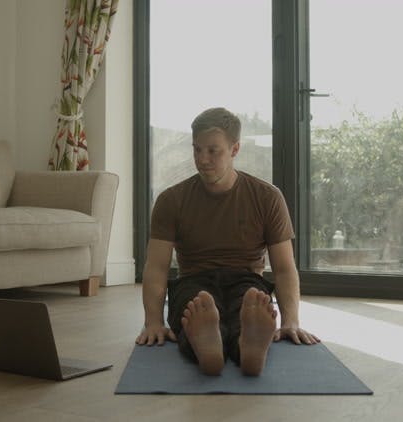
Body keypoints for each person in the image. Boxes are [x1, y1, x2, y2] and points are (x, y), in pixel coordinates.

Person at [135, 107, 320, 376]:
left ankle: (248, 344)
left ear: (234, 150)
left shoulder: (267, 197)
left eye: (213, 151)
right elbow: (156, 267)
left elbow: (283, 268)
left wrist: (290, 321)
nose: (202, 159)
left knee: (246, 306)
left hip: (246, 281)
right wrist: (152, 322)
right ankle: (210, 344)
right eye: (197, 149)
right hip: (194, 281)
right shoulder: (171, 200)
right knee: (195, 306)